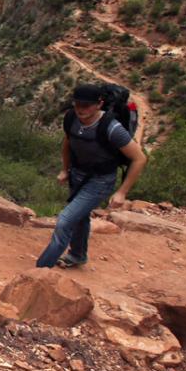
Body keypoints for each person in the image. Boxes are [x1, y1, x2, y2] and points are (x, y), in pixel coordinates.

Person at [36, 83, 148, 268]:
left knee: (64, 221)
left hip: (100, 181)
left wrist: (122, 192)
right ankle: (78, 255)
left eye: (86, 105)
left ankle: (42, 268)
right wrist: (65, 169)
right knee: (80, 217)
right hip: (78, 175)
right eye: (77, 104)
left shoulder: (112, 128)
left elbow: (139, 159)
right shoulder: (71, 118)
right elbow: (67, 143)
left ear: (99, 104)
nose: (81, 109)